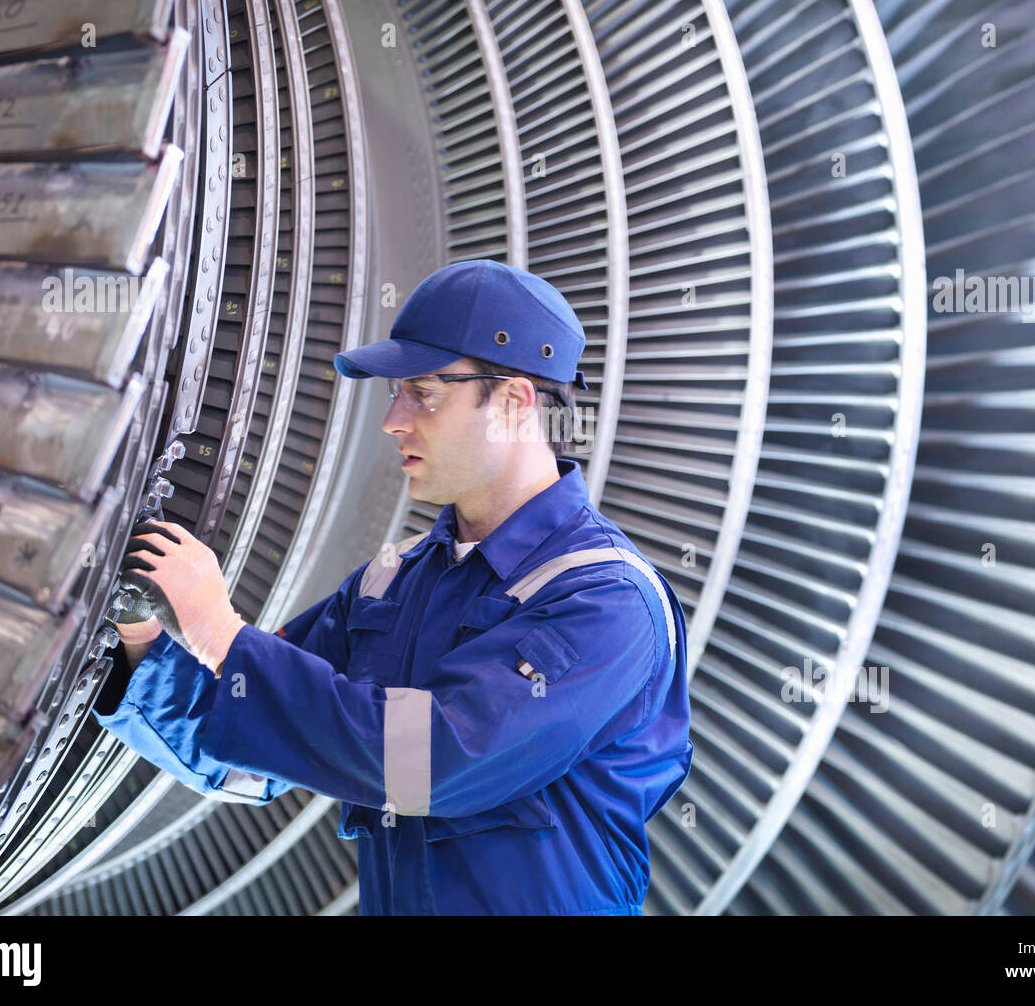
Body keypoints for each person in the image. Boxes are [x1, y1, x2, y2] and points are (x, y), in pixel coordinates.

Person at [92, 258, 693, 916]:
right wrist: (137, 636)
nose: (394, 420)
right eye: (395, 392)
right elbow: (255, 738)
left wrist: (219, 631)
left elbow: (432, 763)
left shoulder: (607, 602)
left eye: (425, 394)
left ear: (514, 403)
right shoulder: (393, 582)